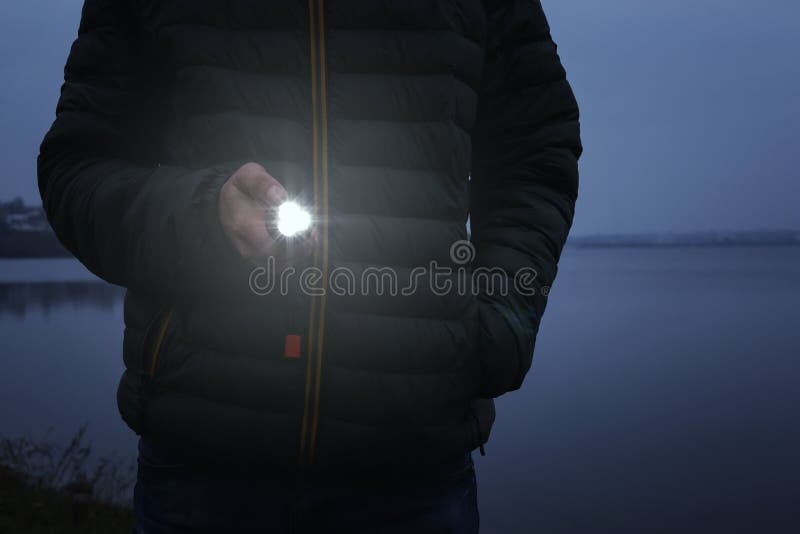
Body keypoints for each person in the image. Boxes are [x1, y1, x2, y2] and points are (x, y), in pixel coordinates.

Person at [38, 0, 582, 531]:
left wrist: (501, 322)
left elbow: (536, 148)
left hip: (415, 464)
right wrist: (203, 214)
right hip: (203, 463)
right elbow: (78, 169)